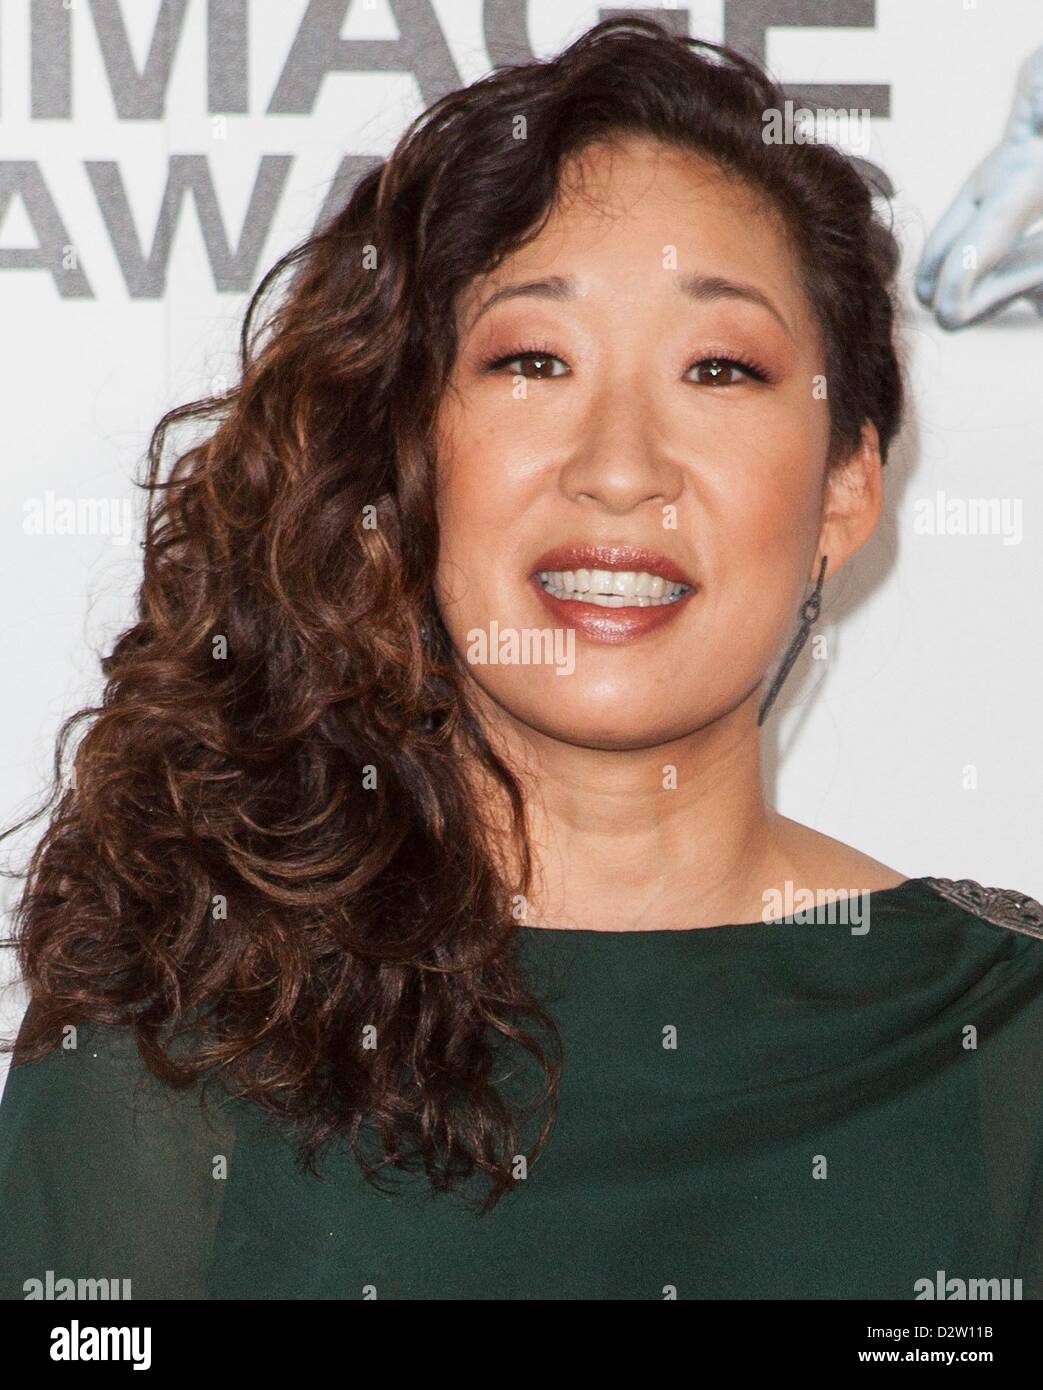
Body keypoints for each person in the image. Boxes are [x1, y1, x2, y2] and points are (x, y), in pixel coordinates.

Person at [1, 15, 1041, 1301]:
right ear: (414, 455)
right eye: (531, 360)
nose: (618, 469)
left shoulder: (1003, 1041)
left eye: (717, 368)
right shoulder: (187, 1025)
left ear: (844, 486)